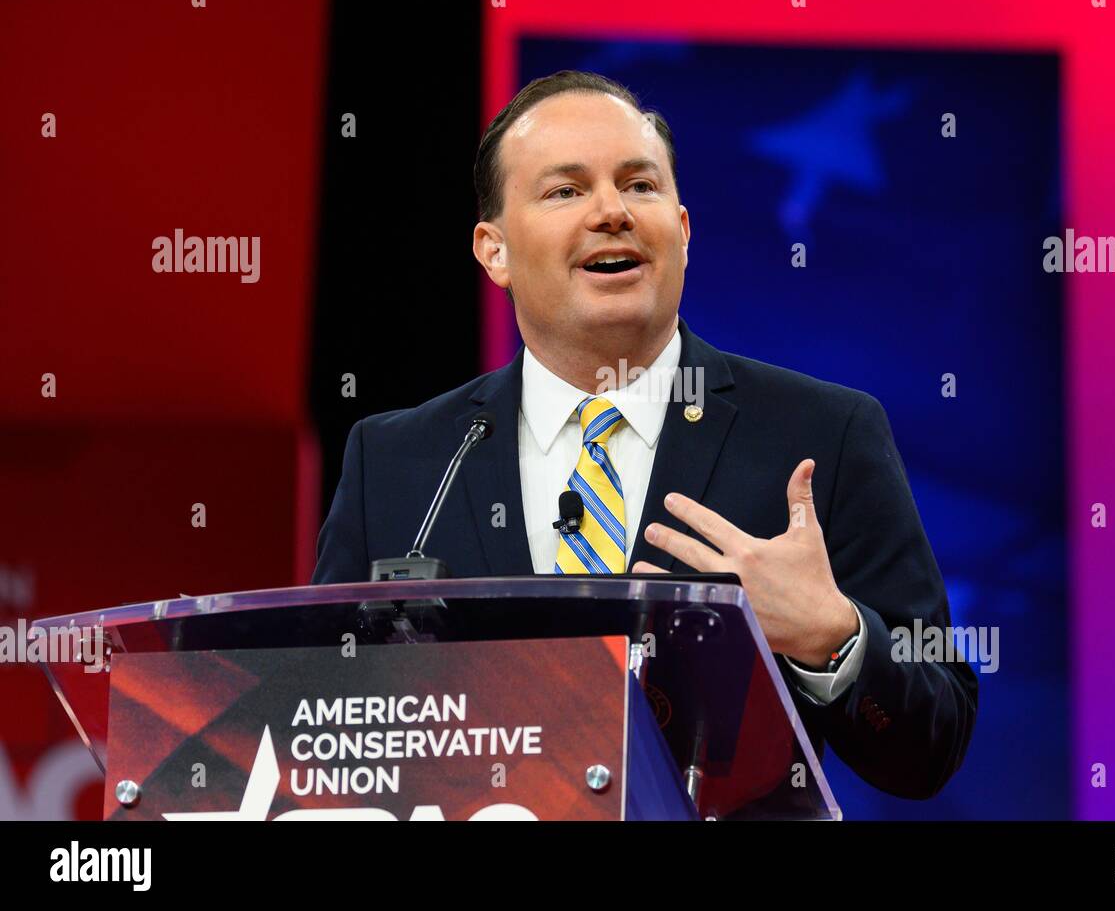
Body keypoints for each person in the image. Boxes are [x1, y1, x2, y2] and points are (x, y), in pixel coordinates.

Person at [313, 70, 976, 800]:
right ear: (492, 248)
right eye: (566, 190)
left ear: (683, 233)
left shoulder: (824, 434)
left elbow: (934, 739)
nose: (611, 212)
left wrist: (834, 637)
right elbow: (319, 720)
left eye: (640, 185)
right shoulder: (401, 461)